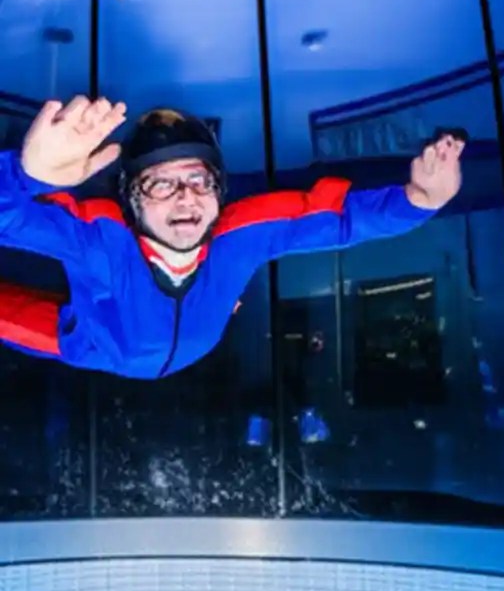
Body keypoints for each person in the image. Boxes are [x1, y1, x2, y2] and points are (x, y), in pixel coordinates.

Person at [0, 95, 465, 379]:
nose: (186, 198)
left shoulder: (241, 235)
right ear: (131, 201)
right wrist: (26, 175)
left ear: (219, 192)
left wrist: (419, 198)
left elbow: (341, 222)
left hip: (147, 350)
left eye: (199, 181)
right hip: (91, 343)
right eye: (161, 183)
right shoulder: (98, 241)